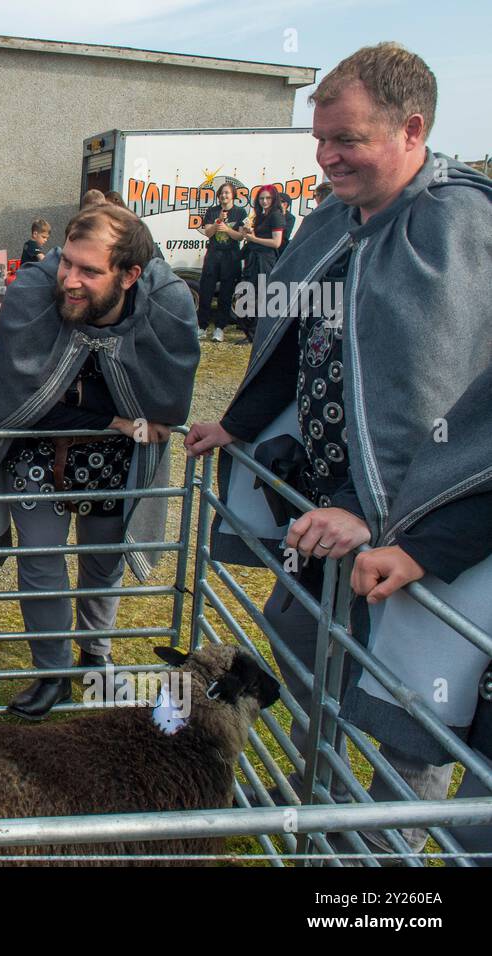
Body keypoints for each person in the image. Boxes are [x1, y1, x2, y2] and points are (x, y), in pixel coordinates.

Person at [185, 43, 492, 854]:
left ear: (411, 129)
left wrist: (375, 512)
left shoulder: (458, 228)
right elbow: (291, 339)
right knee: (302, 643)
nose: (326, 157)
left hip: (437, 530)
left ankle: (376, 854)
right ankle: (324, 787)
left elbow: (442, 399)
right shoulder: (336, 220)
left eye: (346, 140)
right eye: (319, 139)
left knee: (415, 697)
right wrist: (240, 423)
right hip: (325, 510)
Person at [0, 204, 199, 719]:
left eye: (89, 271)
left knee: (102, 559)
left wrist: (115, 418)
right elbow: (15, 393)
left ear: (130, 275)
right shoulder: (31, 292)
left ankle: (96, 658)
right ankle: (52, 673)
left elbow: (165, 406)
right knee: (41, 560)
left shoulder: (167, 303)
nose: (69, 279)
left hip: (113, 462)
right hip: (37, 453)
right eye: (66, 262)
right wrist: (112, 418)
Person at [195, 181, 246, 343]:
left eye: (227, 193)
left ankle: (219, 328)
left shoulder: (240, 212)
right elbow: (208, 233)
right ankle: (201, 326)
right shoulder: (212, 211)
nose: (224, 196)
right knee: (206, 292)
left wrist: (228, 229)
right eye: (222, 193)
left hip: (230, 257)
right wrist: (218, 222)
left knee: (225, 293)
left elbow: (240, 236)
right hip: (213, 256)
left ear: (233, 196)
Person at [238, 183, 286, 287]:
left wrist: (254, 239)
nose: (264, 201)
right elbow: (260, 236)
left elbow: (276, 243)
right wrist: (250, 232)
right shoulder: (262, 215)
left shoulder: (276, 215)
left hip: (265, 261)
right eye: (261, 198)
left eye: (268, 198)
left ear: (274, 199)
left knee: (261, 295)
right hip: (254, 260)